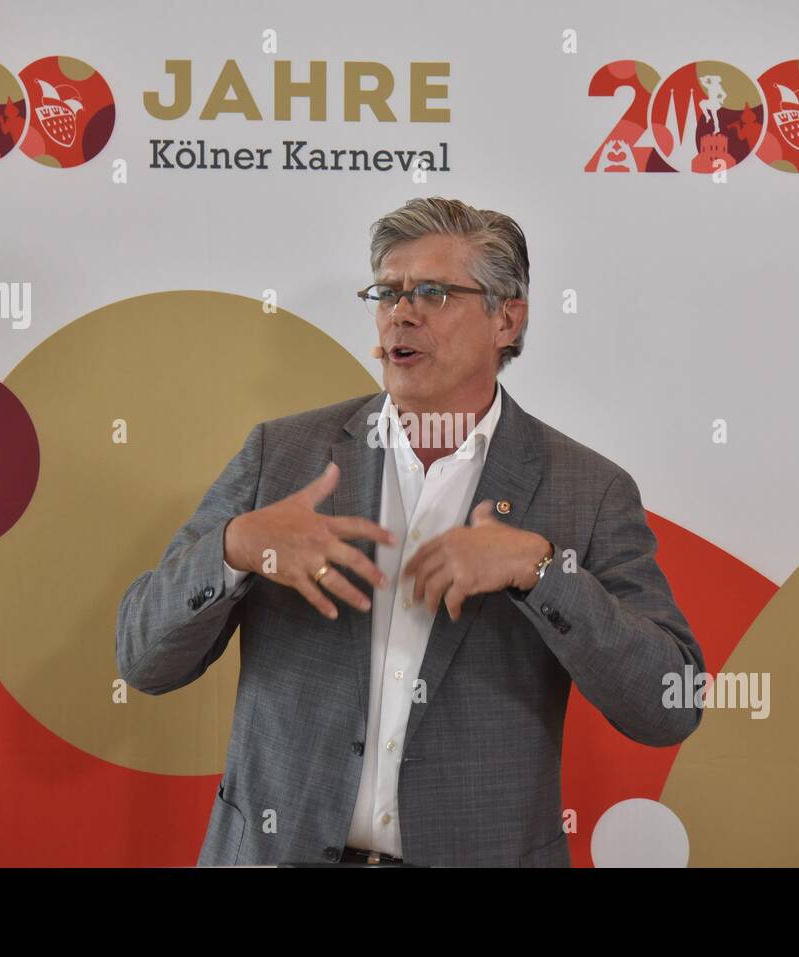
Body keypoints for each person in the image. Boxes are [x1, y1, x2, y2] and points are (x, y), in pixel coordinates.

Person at [115, 197, 704, 867]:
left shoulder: (586, 490)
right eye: (386, 292)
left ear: (507, 318)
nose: (402, 312)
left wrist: (544, 572)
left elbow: (669, 705)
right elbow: (141, 659)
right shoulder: (282, 456)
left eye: (433, 292)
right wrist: (235, 549)